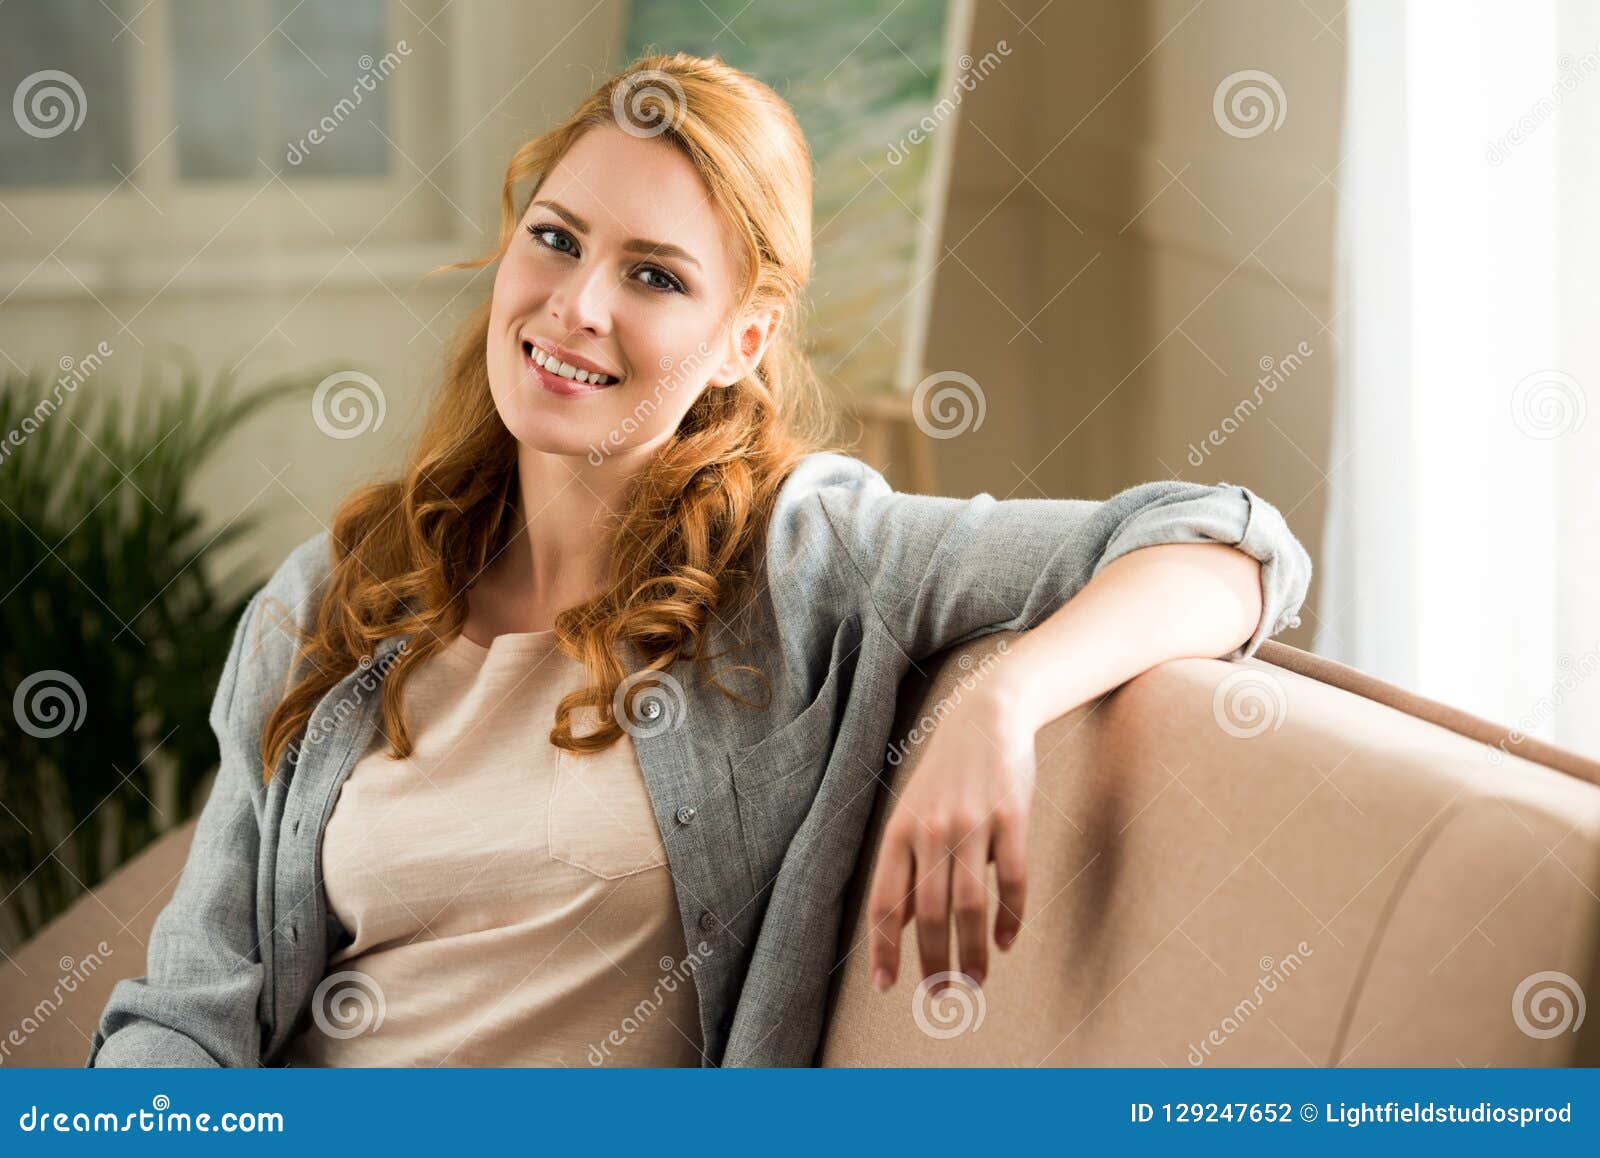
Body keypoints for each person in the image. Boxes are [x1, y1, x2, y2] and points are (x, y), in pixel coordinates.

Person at [87, 51, 1311, 1068]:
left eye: (655, 277)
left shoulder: (806, 560)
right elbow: (195, 1011)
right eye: (557, 239)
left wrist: (1007, 697)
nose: (576, 307)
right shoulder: (331, 599)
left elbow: (1231, 539)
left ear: (745, 338)